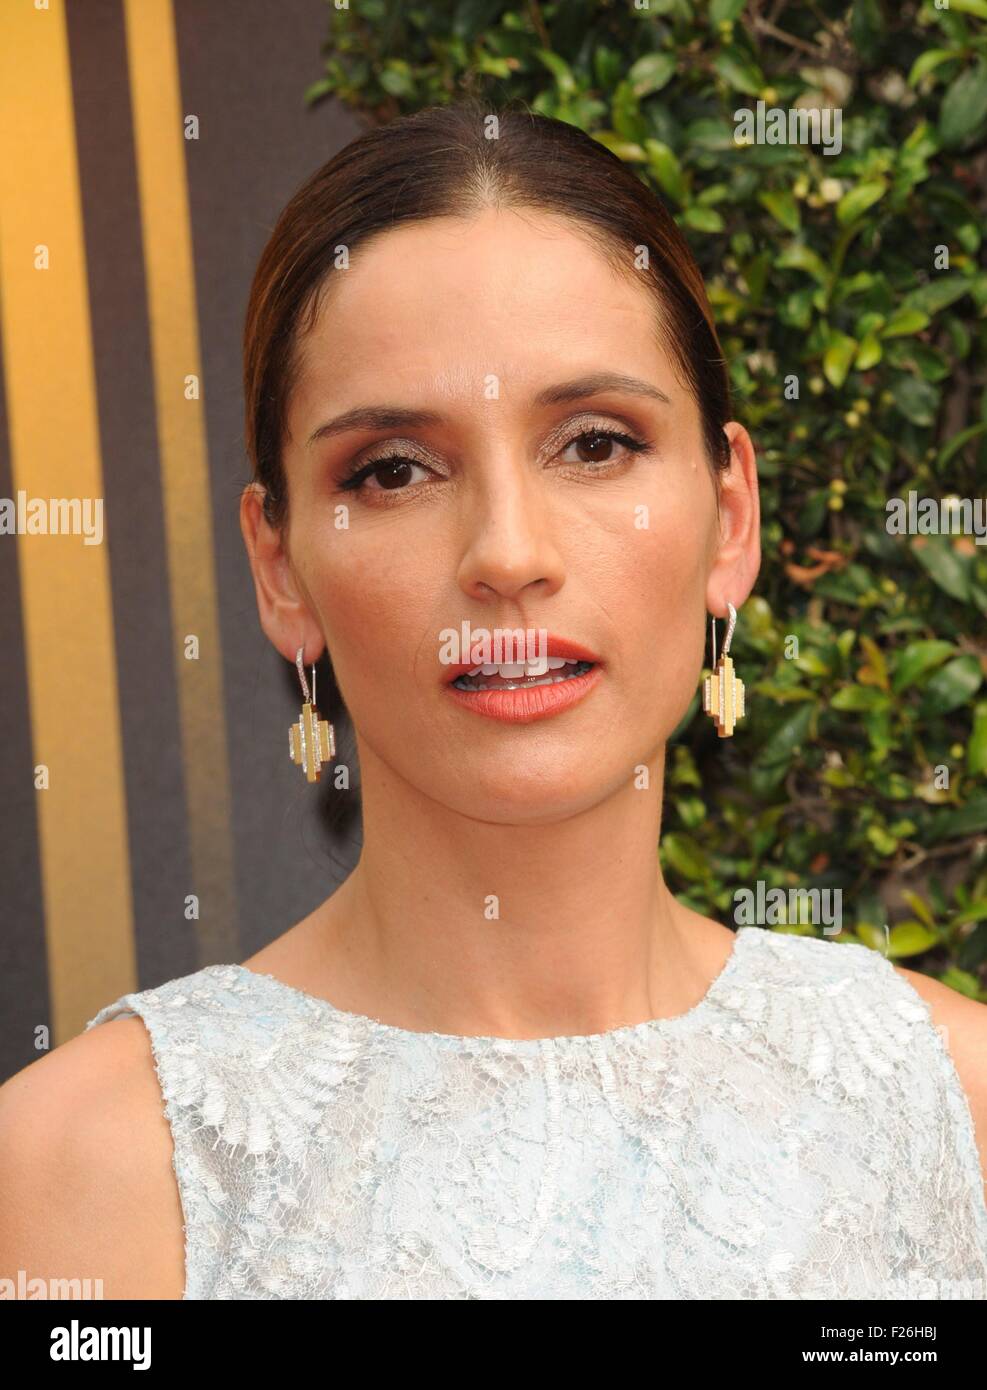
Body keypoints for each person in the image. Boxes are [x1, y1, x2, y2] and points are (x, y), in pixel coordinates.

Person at [1, 100, 985, 1300]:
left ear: (730, 519)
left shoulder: (951, 1104)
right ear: (280, 569)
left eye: (595, 443)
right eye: (396, 470)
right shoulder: (81, 1171)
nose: (508, 553)